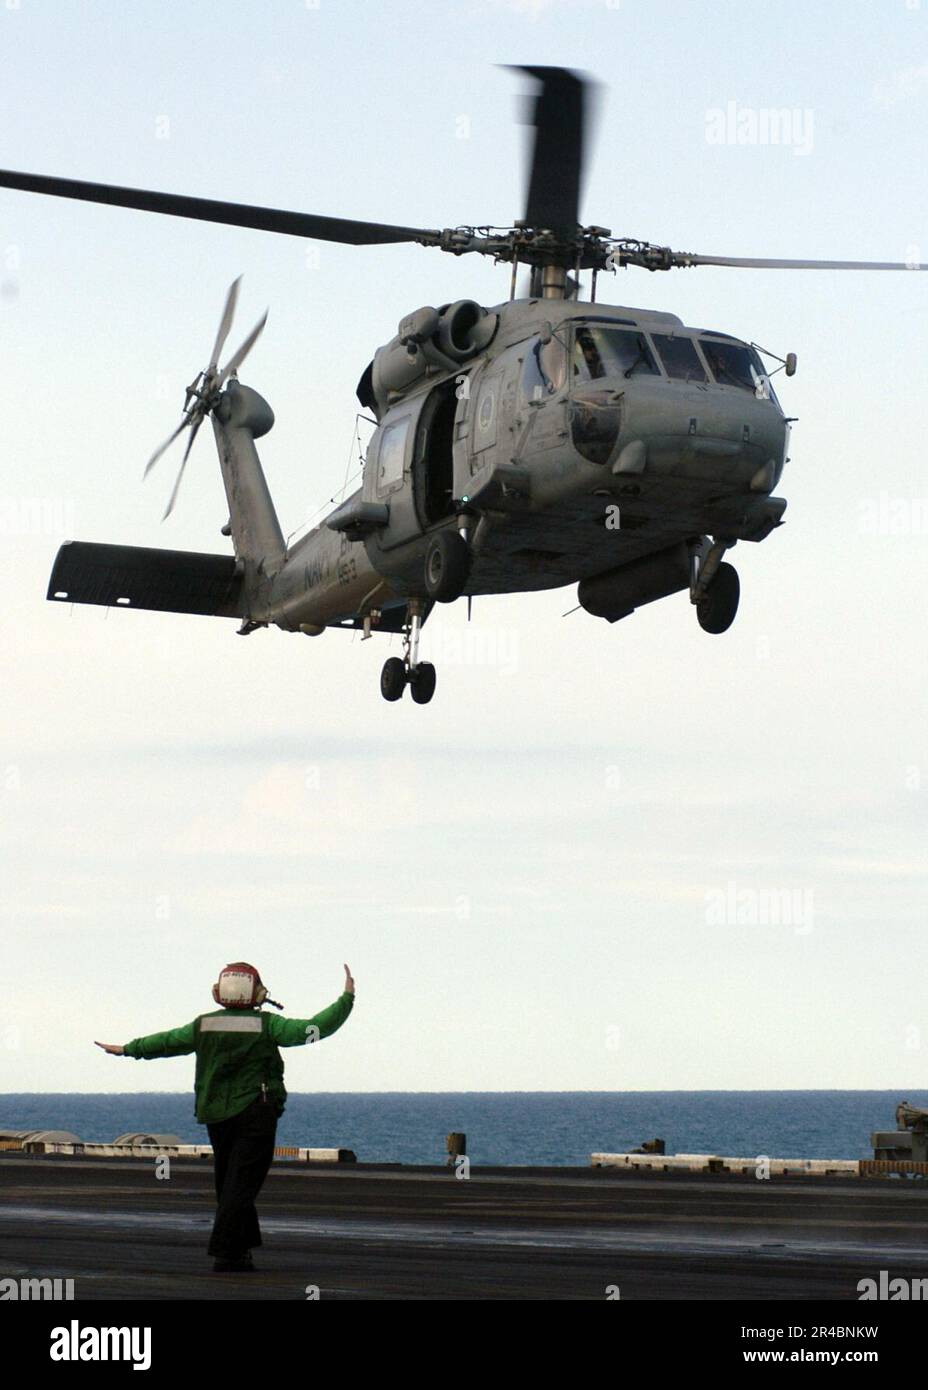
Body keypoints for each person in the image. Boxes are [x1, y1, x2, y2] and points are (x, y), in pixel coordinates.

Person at [95, 960, 355, 1272]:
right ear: (257, 993)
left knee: (229, 1181)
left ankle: (240, 1251)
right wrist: (346, 1000)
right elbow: (313, 1031)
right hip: (256, 1112)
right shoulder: (268, 1025)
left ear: (219, 992)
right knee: (241, 1185)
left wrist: (128, 1049)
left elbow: (167, 1042)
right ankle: (226, 1252)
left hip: (216, 1114)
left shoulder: (203, 1025)